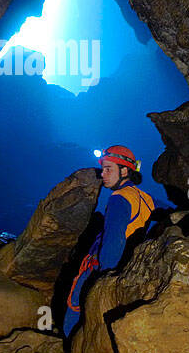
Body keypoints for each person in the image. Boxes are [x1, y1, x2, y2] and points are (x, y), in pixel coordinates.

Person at [62, 144, 154, 339]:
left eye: (108, 169)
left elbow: (114, 241)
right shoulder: (147, 199)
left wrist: (102, 277)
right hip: (128, 268)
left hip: (101, 268)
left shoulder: (119, 198)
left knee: (72, 323)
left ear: (124, 170)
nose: (102, 174)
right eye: (103, 169)